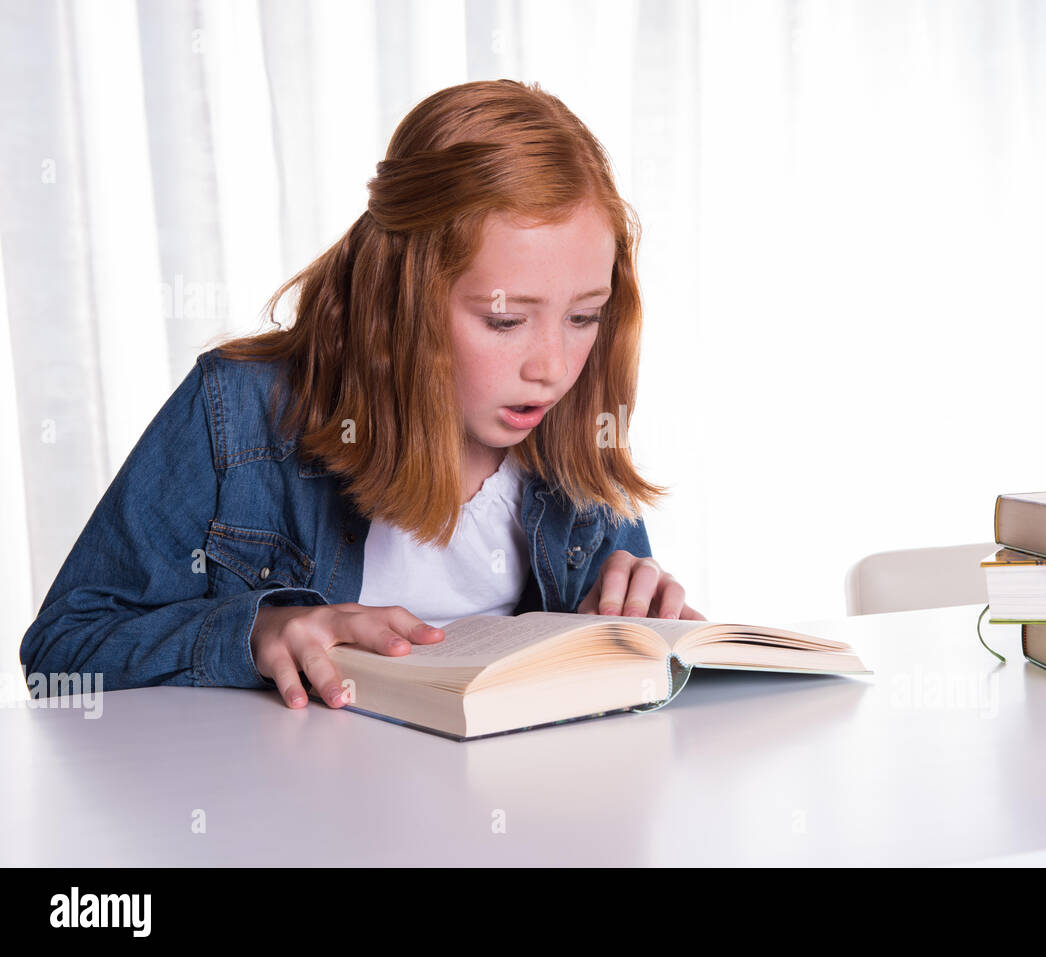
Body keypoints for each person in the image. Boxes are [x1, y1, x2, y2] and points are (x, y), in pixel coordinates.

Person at [20, 79, 702, 711]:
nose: (553, 367)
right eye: (503, 320)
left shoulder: (572, 429)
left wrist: (635, 609)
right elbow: (62, 650)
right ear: (403, 297)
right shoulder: (238, 413)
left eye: (583, 317)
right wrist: (258, 633)